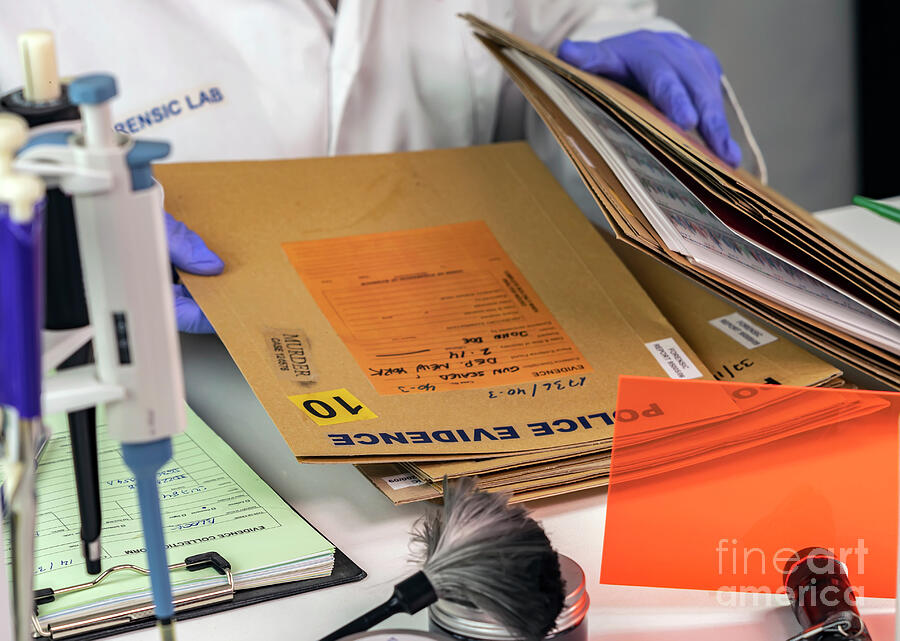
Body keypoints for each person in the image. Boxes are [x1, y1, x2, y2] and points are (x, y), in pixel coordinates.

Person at [0, 1, 740, 332]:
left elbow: (561, 25)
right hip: (182, 420)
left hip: (475, 349)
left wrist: (618, 100)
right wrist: (41, 242)